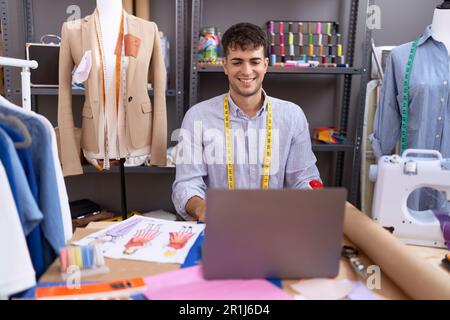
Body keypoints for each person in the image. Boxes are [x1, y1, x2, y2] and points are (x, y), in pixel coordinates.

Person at [172, 23, 322, 222]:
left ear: (265, 65)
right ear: (225, 65)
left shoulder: (292, 116)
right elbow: (186, 184)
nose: (246, 70)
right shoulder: (197, 117)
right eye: (237, 62)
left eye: (254, 61)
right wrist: (201, 207)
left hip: (276, 226)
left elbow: (304, 178)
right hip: (220, 226)